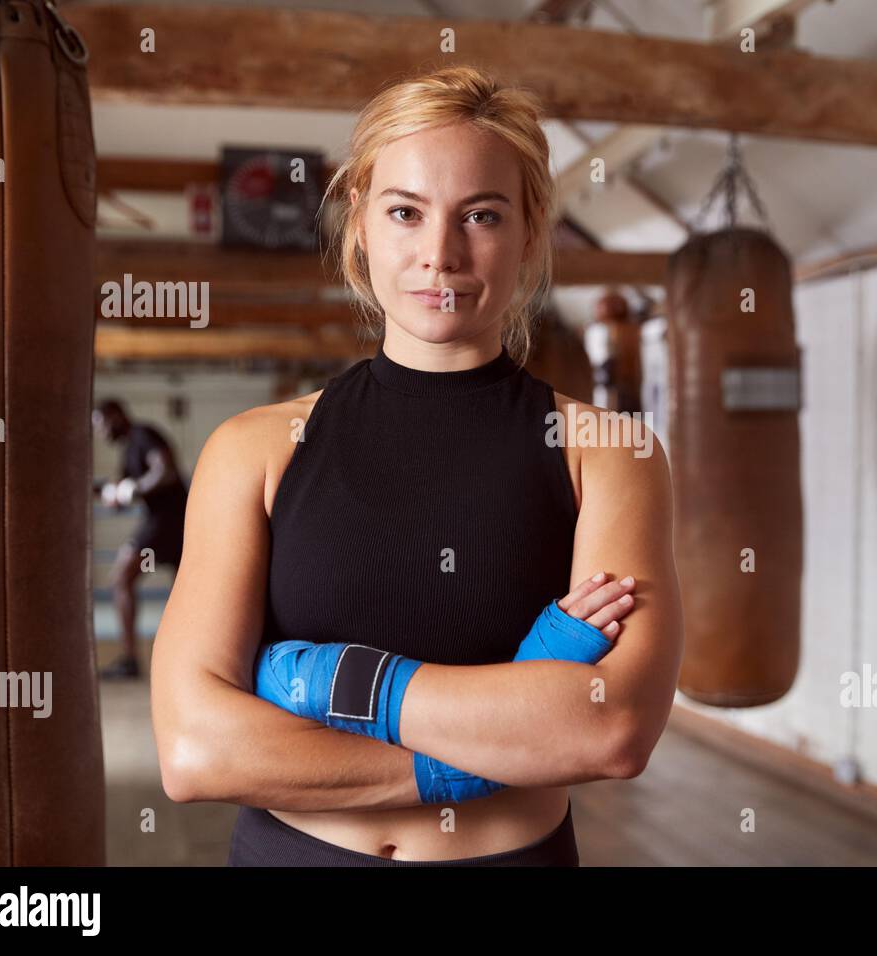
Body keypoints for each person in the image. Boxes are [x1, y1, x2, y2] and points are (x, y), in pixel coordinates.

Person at [150, 65, 684, 866]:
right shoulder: (253, 450)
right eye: (406, 212)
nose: (441, 254)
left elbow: (609, 727)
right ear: (361, 222)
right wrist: (486, 742)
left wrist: (337, 686)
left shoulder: (607, 453)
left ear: (532, 230)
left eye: (481, 215)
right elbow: (197, 749)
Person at [92, 399, 190, 680]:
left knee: (122, 577)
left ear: (116, 416)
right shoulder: (129, 451)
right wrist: (112, 493)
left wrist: (133, 489)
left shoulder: (144, 435)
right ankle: (184, 660)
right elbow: (122, 492)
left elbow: (165, 471)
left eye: (101, 424)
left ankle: (130, 661)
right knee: (182, 589)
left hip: (168, 522)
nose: (100, 432)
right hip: (171, 522)